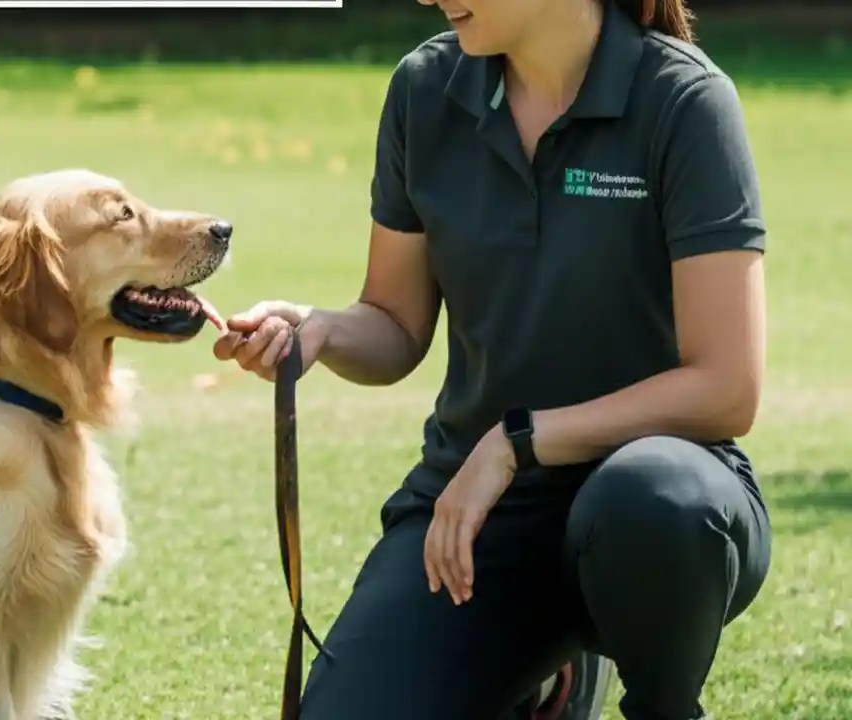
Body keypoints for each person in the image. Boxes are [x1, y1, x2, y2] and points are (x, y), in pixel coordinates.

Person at [210, 0, 773, 718]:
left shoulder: (685, 100)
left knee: (648, 498)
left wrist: (518, 443)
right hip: (471, 524)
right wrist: (319, 331)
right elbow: (395, 321)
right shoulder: (425, 87)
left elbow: (727, 389)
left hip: (657, 512)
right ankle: (542, 678)